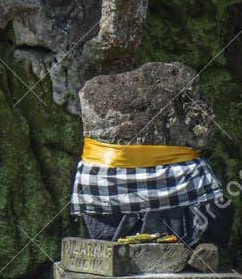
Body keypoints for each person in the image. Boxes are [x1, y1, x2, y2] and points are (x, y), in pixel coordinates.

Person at [70, 61, 233, 249]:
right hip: (175, 177)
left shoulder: (93, 90)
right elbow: (202, 135)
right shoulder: (179, 82)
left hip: (104, 182)